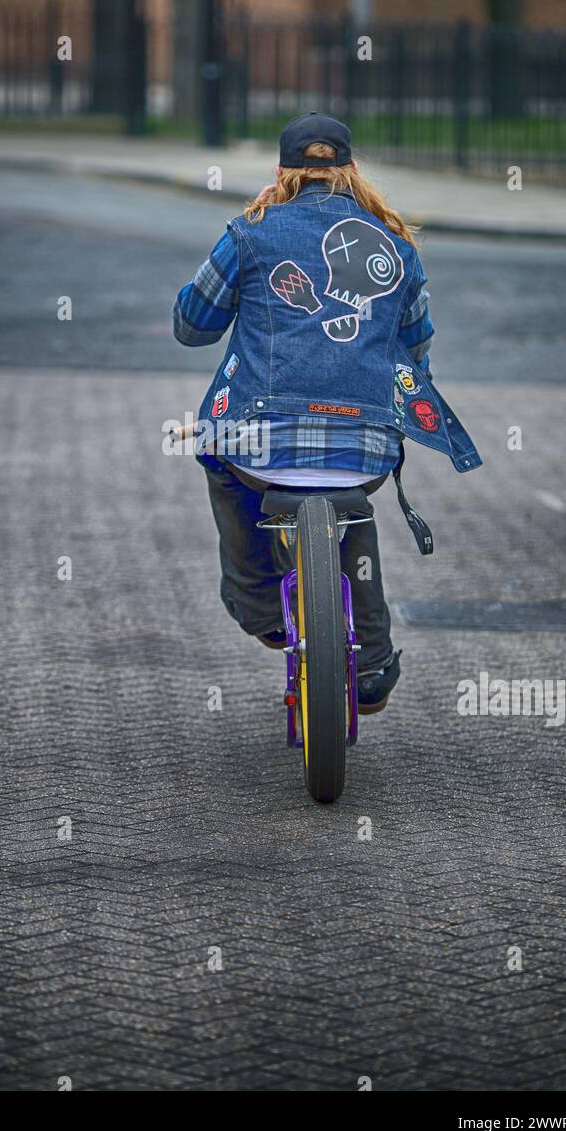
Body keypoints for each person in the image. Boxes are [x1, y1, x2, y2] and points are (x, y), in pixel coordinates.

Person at [172, 112, 481, 713]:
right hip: (365, 442)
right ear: (350, 171)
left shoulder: (250, 233)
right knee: (352, 502)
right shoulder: (393, 243)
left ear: (283, 172)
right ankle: (372, 660)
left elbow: (192, 327)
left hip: (260, 440)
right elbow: (416, 350)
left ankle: (260, 606)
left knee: (215, 453)